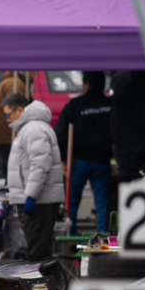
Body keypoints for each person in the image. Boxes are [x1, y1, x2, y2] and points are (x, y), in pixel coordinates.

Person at [4, 92, 63, 262]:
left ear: (19, 110)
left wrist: (30, 195)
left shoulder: (33, 129)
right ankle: (42, 287)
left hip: (39, 202)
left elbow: (40, 164)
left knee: (39, 255)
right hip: (39, 200)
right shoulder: (30, 129)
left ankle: (42, 288)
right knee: (38, 252)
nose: (7, 119)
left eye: (9, 114)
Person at [55, 70, 115, 235]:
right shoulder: (110, 105)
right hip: (102, 161)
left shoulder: (76, 105)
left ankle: (72, 240)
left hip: (79, 161)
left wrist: (61, 158)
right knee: (102, 205)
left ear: (87, 84)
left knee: (72, 204)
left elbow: (59, 133)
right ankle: (102, 243)